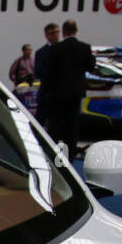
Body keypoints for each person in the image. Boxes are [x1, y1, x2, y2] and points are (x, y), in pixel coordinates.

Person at [41, 19, 96, 161]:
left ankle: (57, 156)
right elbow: (91, 67)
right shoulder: (84, 47)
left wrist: (45, 91)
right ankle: (70, 156)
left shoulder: (56, 48)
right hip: (75, 94)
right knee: (72, 125)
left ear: (63, 32)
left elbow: (49, 73)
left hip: (57, 94)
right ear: (76, 31)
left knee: (57, 126)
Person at [32, 23, 60, 125]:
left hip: (60, 93)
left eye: (57, 32)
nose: (55, 35)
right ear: (47, 35)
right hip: (46, 93)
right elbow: (38, 72)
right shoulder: (41, 52)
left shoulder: (63, 50)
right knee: (41, 121)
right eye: (52, 33)